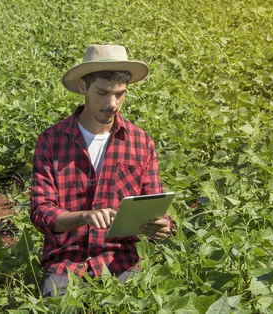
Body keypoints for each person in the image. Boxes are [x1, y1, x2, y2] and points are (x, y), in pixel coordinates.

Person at [30, 44, 173, 298]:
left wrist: (161, 225)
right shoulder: (52, 141)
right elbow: (41, 213)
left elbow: (155, 202)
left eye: (120, 94)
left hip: (120, 262)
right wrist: (83, 216)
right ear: (84, 87)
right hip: (66, 263)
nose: (112, 103)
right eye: (102, 92)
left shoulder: (140, 143)